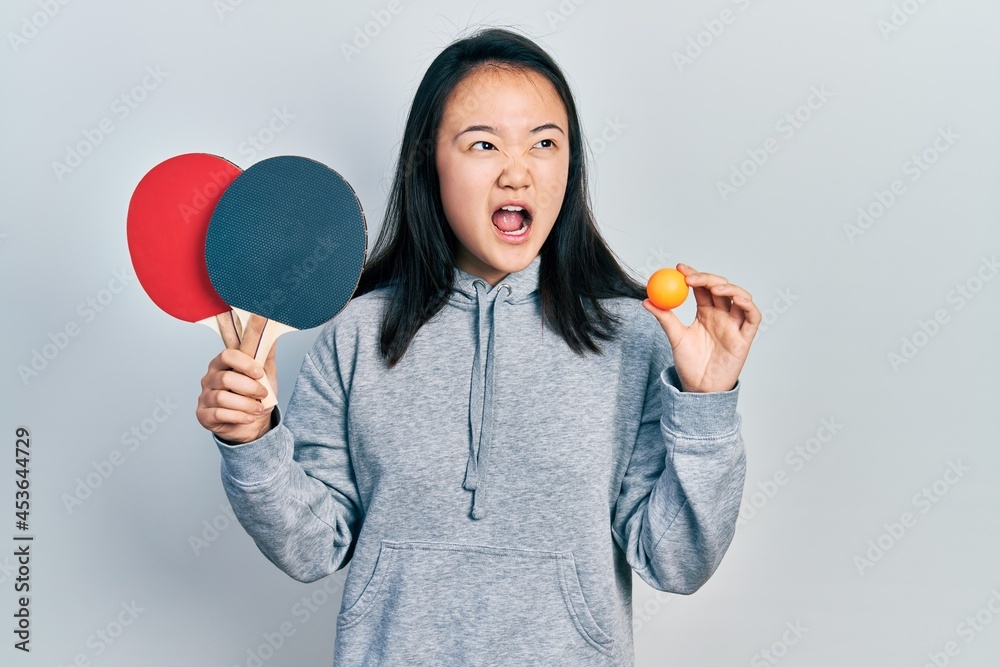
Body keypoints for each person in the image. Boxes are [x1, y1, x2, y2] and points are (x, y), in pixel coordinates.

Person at [197, 26, 759, 667]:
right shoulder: (355, 334)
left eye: (545, 143)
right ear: (428, 163)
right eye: (483, 144)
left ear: (569, 167)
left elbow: (676, 562)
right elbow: (311, 547)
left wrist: (707, 408)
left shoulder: (633, 338)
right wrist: (252, 444)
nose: (517, 172)